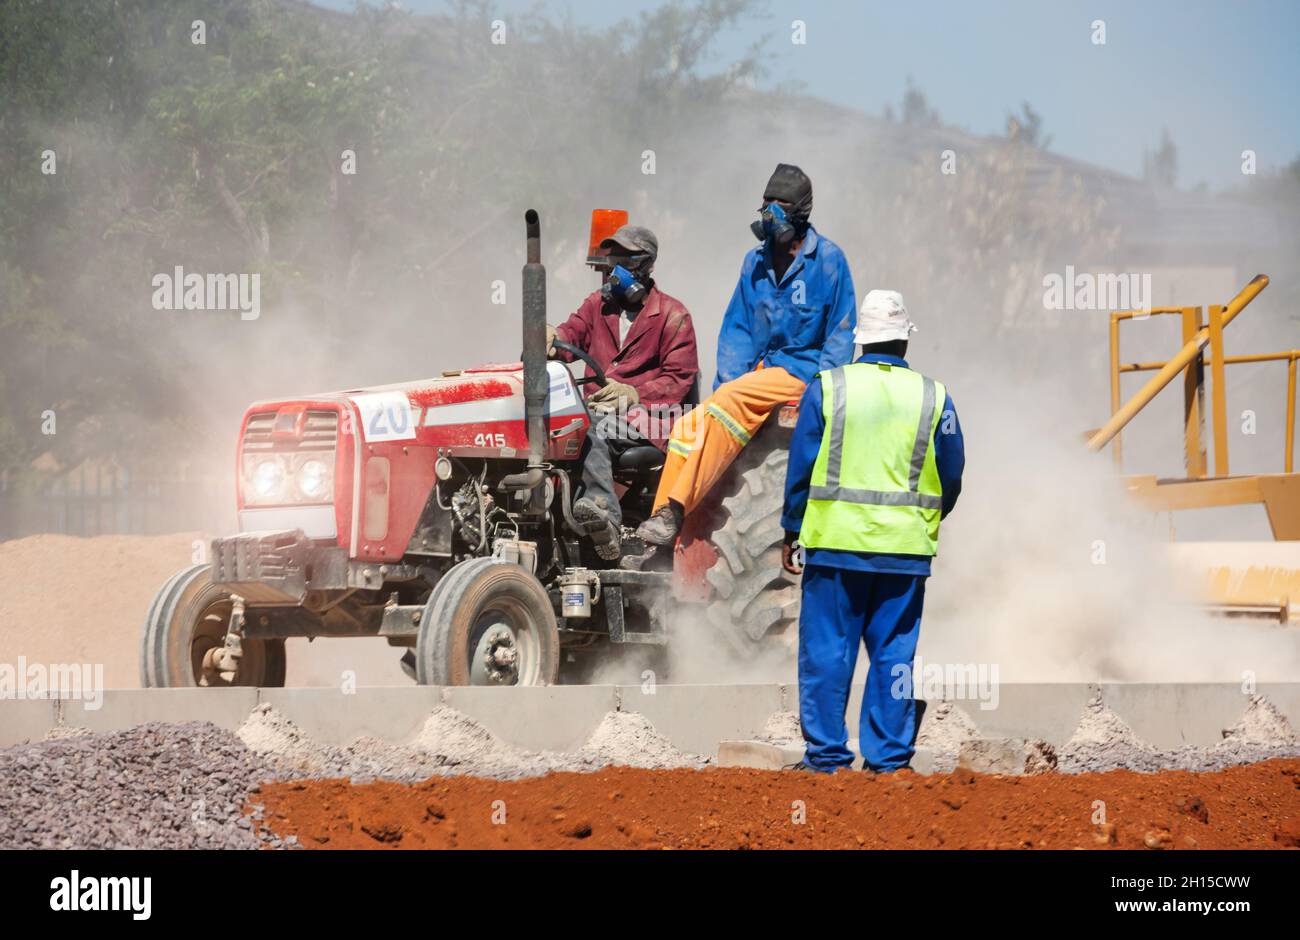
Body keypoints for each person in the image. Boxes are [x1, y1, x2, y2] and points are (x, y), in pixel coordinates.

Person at [628, 163, 856, 560]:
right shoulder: (755, 263)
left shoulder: (830, 261)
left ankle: (677, 508)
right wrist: (728, 385)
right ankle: (660, 534)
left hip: (803, 373)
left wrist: (824, 390)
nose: (768, 213)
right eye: (765, 203)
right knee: (688, 425)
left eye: (778, 205)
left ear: (800, 211)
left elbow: (841, 330)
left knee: (728, 404)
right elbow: (738, 331)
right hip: (760, 376)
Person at [780, 289, 965, 773]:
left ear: (861, 341)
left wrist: (791, 529)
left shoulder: (827, 387)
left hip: (835, 548)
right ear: (904, 341)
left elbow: (800, 468)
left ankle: (826, 759)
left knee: (827, 654)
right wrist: (922, 520)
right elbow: (953, 472)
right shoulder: (934, 396)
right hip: (904, 553)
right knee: (894, 656)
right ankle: (887, 761)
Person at [547, 223, 699, 559]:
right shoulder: (597, 305)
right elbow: (571, 335)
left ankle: (605, 517)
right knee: (555, 424)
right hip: (600, 413)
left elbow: (679, 379)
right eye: (613, 260)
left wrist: (633, 393)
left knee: (587, 426)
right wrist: (550, 338)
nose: (615, 271)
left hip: (650, 419)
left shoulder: (673, 316)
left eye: (626, 262)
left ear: (646, 266)